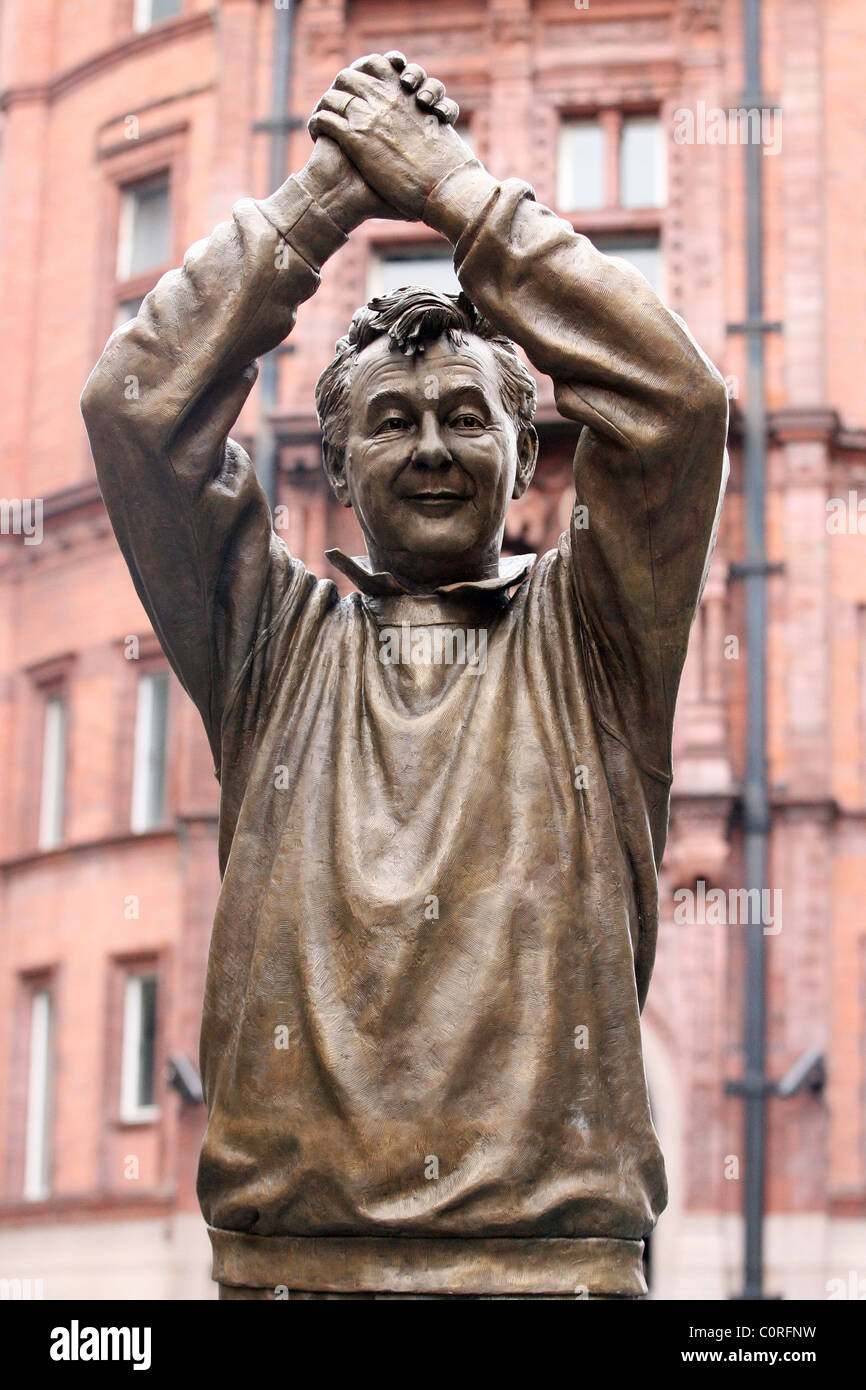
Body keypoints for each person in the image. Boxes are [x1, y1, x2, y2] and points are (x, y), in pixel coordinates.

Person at [82, 52, 728, 1300]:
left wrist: (452, 190)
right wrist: (326, 197)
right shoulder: (269, 640)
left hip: (551, 1279)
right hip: (285, 1277)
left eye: (466, 416)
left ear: (520, 447)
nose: (430, 445)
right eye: (391, 419)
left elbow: (677, 403)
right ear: (334, 459)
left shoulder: (595, 637)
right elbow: (135, 411)